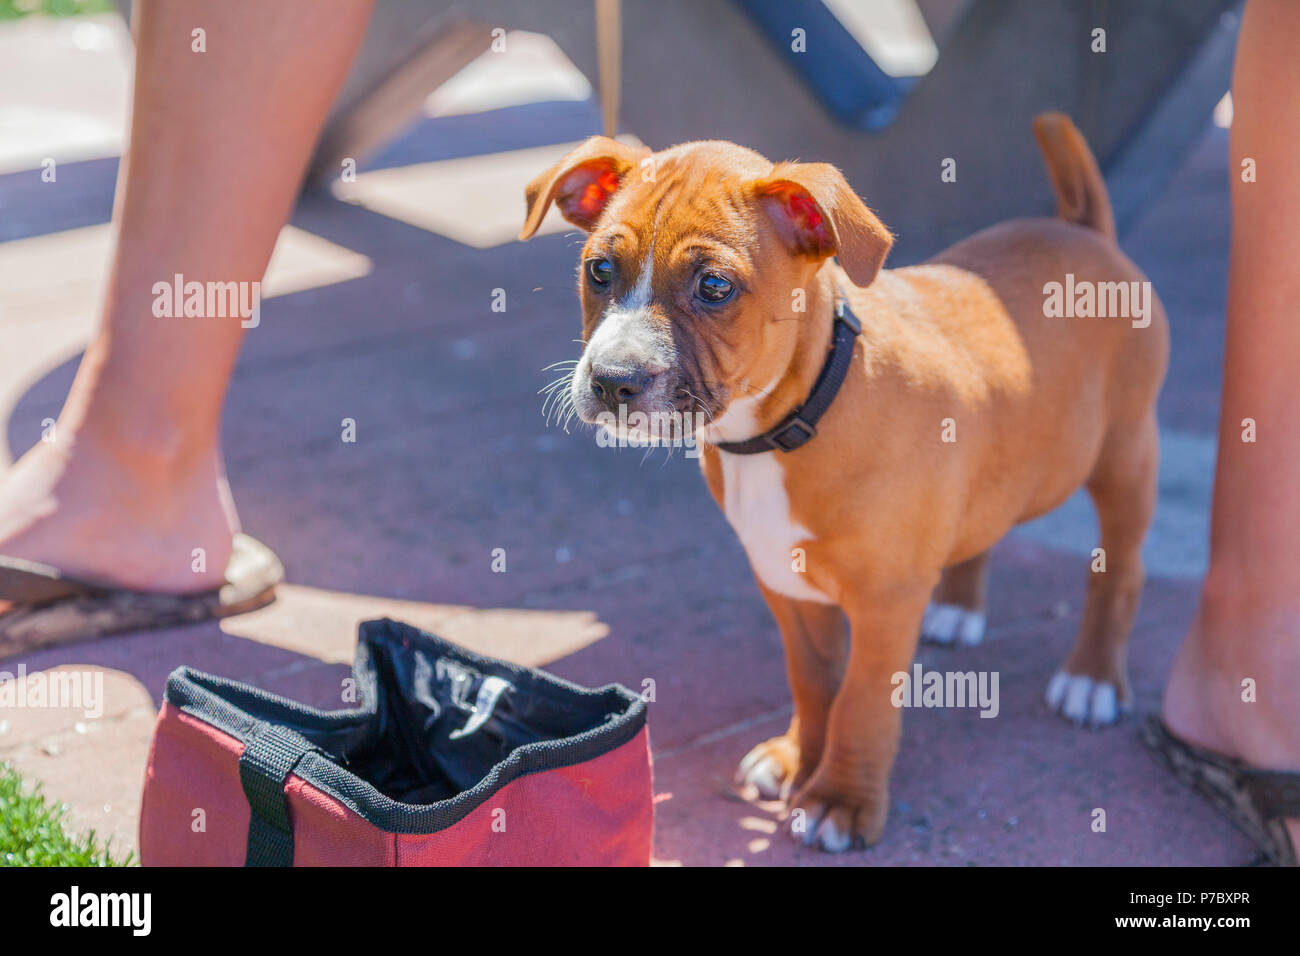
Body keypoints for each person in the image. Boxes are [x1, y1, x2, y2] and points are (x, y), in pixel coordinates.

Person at [0, 0, 1293, 865]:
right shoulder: (731, 422)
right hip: (883, 452)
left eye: (706, 291)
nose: (623, 351)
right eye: (606, 275)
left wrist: (845, 765)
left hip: (1066, 337)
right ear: (582, 217)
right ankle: (857, 680)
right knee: (837, 575)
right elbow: (792, 574)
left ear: (806, 241)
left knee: (993, 541)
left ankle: (1032, 670)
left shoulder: (865, 341)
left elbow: (868, 589)